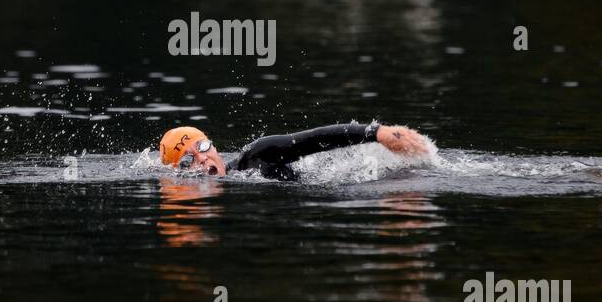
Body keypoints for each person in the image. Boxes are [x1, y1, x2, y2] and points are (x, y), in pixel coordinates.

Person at [158, 121, 429, 181]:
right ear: (177, 172)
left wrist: (375, 133)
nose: (202, 157)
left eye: (203, 146)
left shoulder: (255, 156)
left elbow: (310, 140)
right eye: (188, 160)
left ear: (212, 144)